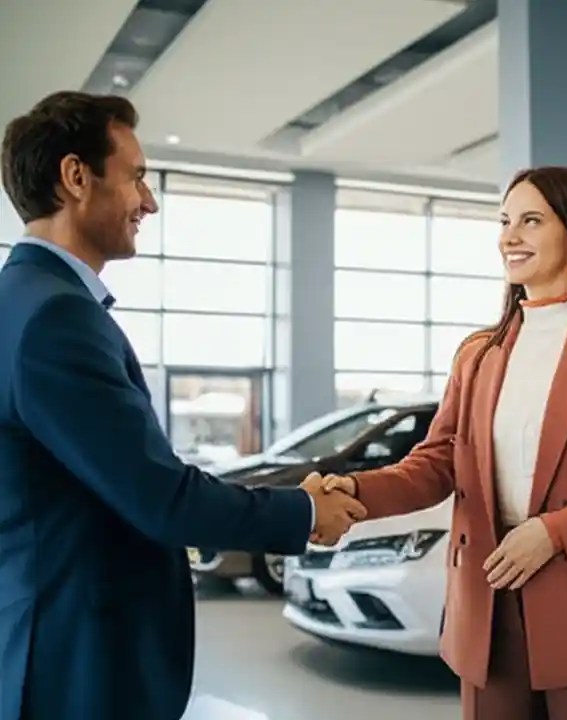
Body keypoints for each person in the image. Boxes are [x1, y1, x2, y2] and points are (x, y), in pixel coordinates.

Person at [0, 91, 367, 720]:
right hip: (77, 660)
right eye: (137, 176)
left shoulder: (23, 300)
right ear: (75, 178)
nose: (150, 201)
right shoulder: (57, 318)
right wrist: (306, 512)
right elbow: (160, 499)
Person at [318, 166, 567, 720]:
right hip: (488, 617)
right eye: (504, 221)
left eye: (530, 220)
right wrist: (353, 492)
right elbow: (436, 463)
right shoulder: (479, 352)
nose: (508, 237)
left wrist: (555, 533)